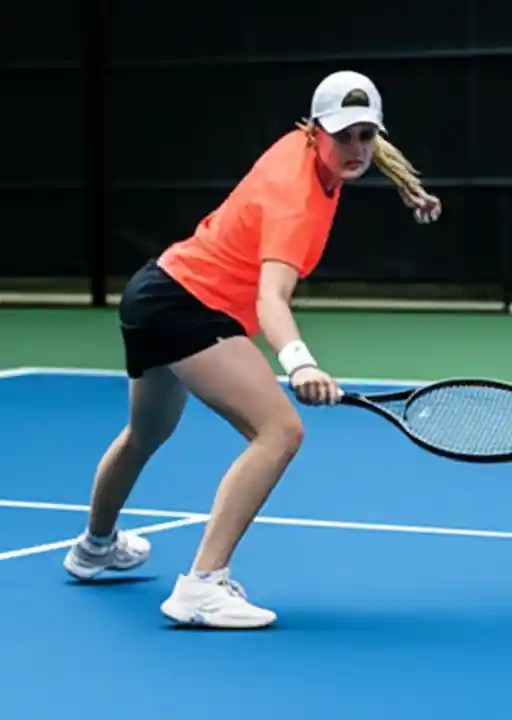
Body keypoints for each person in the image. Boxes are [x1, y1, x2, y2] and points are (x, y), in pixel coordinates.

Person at [61, 70, 442, 628]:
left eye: (366, 134)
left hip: (153, 291)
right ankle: (202, 585)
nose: (357, 148)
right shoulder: (296, 204)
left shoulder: (304, 144)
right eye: (344, 136)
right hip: (192, 309)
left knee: (147, 434)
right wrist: (300, 363)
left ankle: (94, 547)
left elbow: (373, 147)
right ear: (315, 131)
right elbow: (270, 301)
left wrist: (406, 182)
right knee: (280, 432)